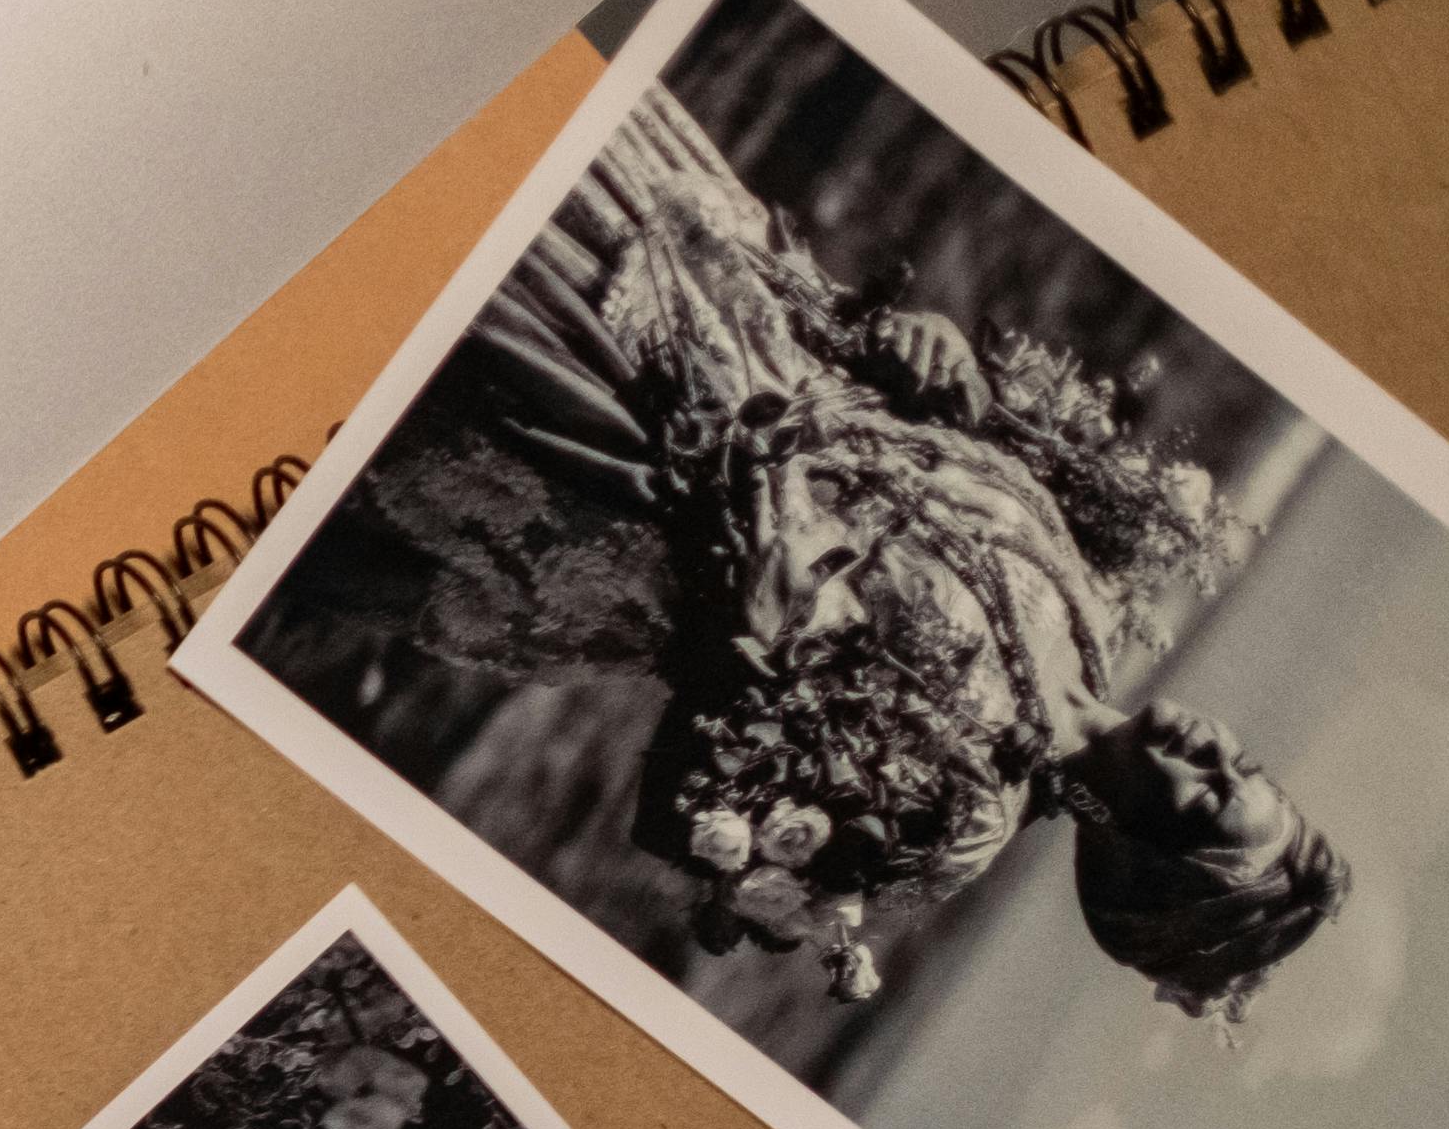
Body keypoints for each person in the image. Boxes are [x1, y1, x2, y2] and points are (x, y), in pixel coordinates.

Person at [272, 82, 1347, 1017]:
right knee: (495, 114)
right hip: (722, 303)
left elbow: (697, 810)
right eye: (1245, 765)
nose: (1215, 752)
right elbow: (928, 441)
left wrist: (742, 641)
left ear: (1134, 865)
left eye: (1208, 798)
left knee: (334, 284)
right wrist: (939, 362)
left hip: (610, 460)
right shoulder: (1095, 603)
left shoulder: (962, 827)